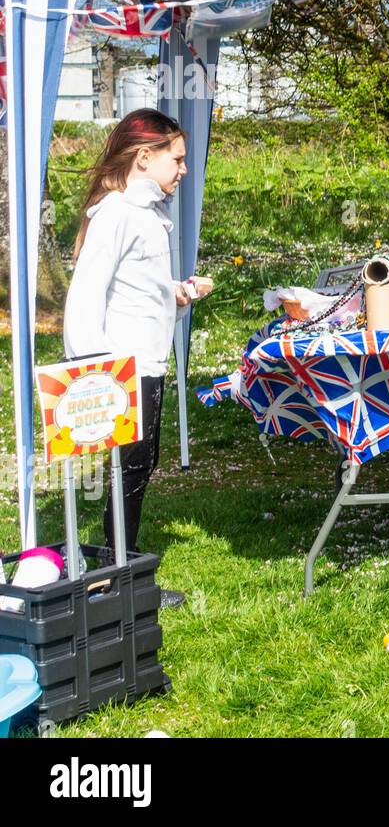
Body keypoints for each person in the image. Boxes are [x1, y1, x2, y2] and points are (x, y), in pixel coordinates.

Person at [63, 108, 213, 608]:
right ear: (145, 158)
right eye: (177, 159)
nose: (183, 170)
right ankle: (116, 577)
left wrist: (177, 293)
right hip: (120, 372)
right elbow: (85, 299)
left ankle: (118, 570)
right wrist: (95, 376)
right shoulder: (117, 215)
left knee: (141, 465)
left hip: (147, 364)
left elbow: (138, 290)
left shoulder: (147, 215)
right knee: (128, 469)